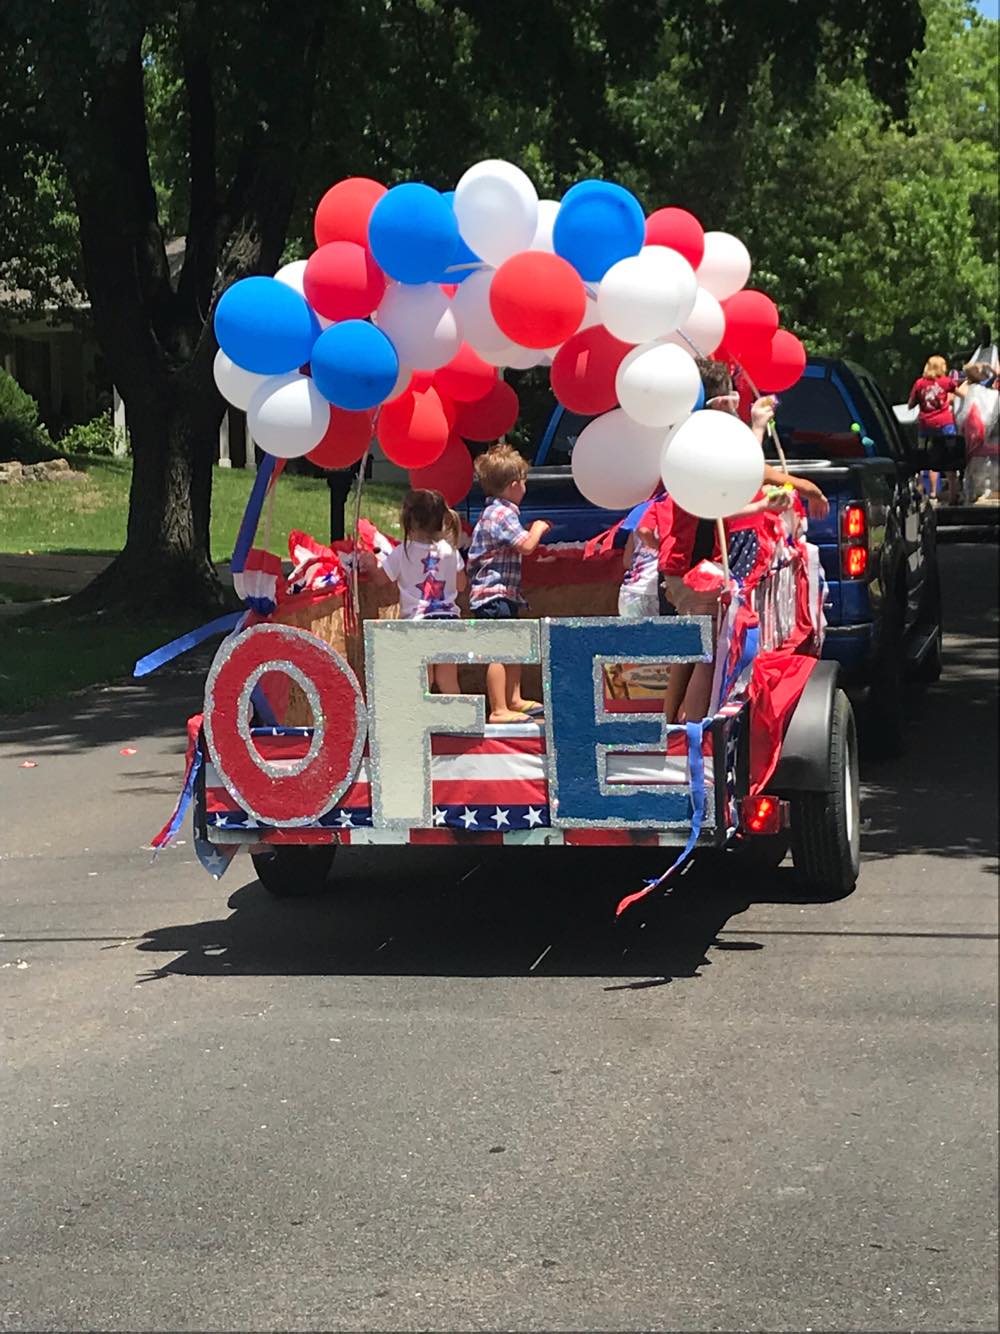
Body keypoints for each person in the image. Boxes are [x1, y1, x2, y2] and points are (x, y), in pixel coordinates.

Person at [467, 442, 551, 723]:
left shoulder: (498, 511)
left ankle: (513, 698)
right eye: (523, 481)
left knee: (513, 645)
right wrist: (537, 529)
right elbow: (526, 545)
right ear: (515, 484)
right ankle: (498, 707)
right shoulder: (501, 514)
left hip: (505, 593)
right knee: (498, 650)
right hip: (493, 596)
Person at [361, 488, 465, 693]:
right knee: (447, 679)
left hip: (418, 624)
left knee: (422, 680)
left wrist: (371, 564)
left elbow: (381, 579)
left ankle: (422, 722)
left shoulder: (403, 552)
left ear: (410, 521)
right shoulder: (450, 550)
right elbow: (461, 585)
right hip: (448, 621)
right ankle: (458, 723)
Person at [908, 354, 959, 504]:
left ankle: (932, 493)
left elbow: (910, 404)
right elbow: (962, 394)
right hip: (945, 424)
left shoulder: (919, 384)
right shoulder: (946, 382)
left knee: (931, 459)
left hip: (926, 425)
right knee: (950, 458)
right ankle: (953, 494)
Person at [953, 363, 1000, 504]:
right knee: (990, 475)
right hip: (990, 443)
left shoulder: (968, 393)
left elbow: (960, 417)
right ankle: (988, 493)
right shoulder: (991, 395)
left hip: (973, 444)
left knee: (976, 474)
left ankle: (975, 495)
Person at [618, 514, 660, 618]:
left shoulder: (639, 515)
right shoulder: (670, 516)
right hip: (656, 589)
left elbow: (627, 561)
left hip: (631, 590)